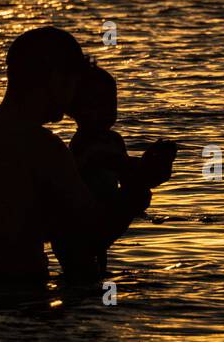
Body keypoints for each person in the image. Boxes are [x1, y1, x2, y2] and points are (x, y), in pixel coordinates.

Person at [0, 27, 176, 284]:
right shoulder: (42, 146)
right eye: (73, 81)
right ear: (55, 78)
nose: (75, 94)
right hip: (15, 301)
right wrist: (137, 190)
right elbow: (91, 236)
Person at [62, 62, 164, 277]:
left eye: (113, 103)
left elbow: (125, 172)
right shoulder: (83, 142)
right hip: (83, 216)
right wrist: (145, 168)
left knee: (99, 259)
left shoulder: (114, 139)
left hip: (106, 206)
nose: (109, 111)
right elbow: (109, 163)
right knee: (81, 265)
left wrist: (143, 173)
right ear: (75, 110)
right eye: (99, 105)